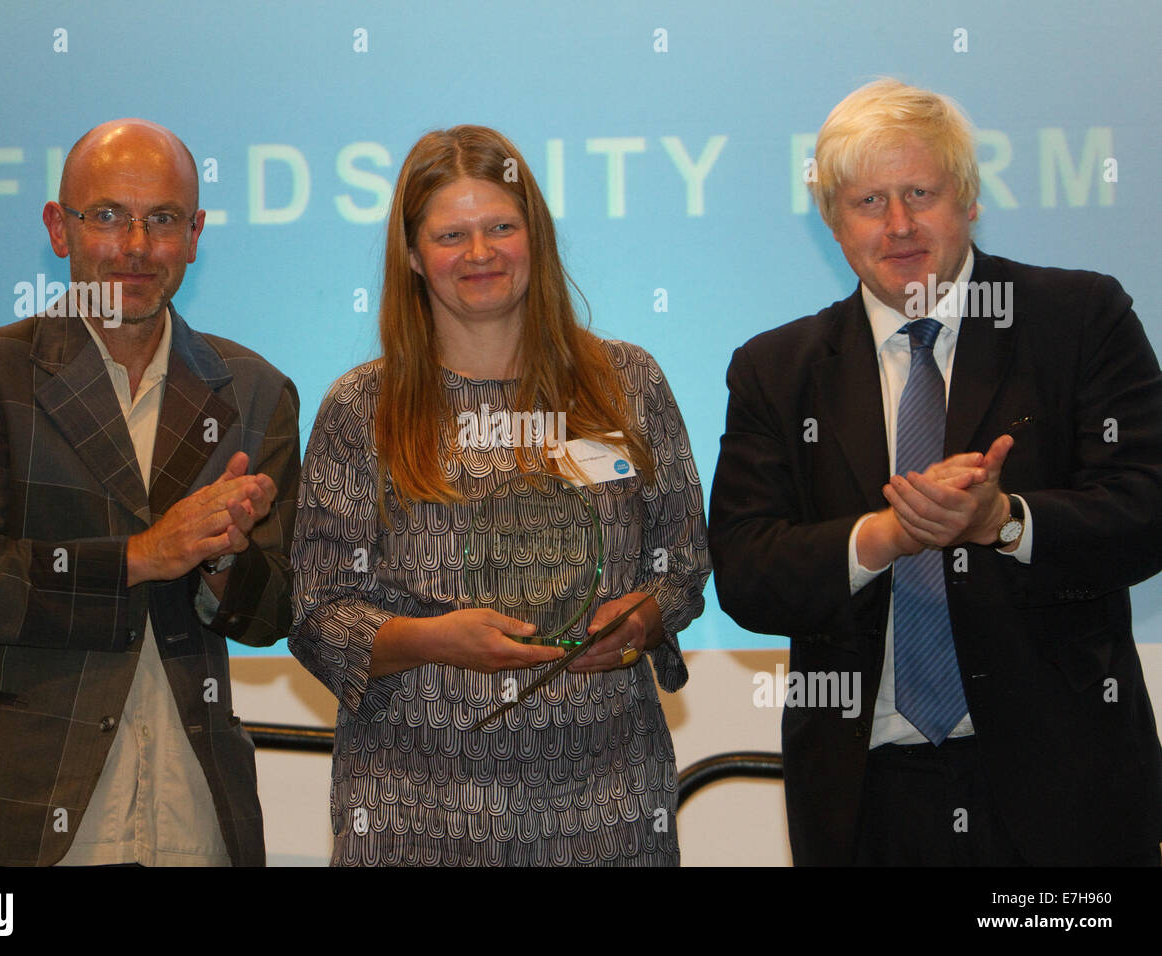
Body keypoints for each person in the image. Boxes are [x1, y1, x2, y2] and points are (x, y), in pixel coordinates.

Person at [709, 78, 1162, 866]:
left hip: (1064, 790)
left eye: (921, 192)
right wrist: (880, 538)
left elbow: (1147, 510)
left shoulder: (1079, 319)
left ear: (970, 198)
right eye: (869, 202)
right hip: (867, 799)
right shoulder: (776, 370)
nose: (899, 225)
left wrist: (1003, 522)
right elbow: (747, 575)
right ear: (832, 222)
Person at [289, 125, 709, 866]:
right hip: (416, 813)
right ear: (414, 257)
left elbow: (682, 563)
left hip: (606, 807)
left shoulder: (626, 382)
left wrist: (640, 619)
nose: (479, 254)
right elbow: (319, 613)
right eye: (452, 234)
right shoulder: (363, 408)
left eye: (500, 228)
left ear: (535, 239)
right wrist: (435, 639)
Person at [0, 119, 301, 866]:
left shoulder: (254, 390)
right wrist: (145, 555)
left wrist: (220, 559)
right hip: (15, 815)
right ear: (60, 228)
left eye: (163, 220)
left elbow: (275, 610)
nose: (136, 246)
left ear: (195, 235)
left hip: (193, 819)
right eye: (108, 216)